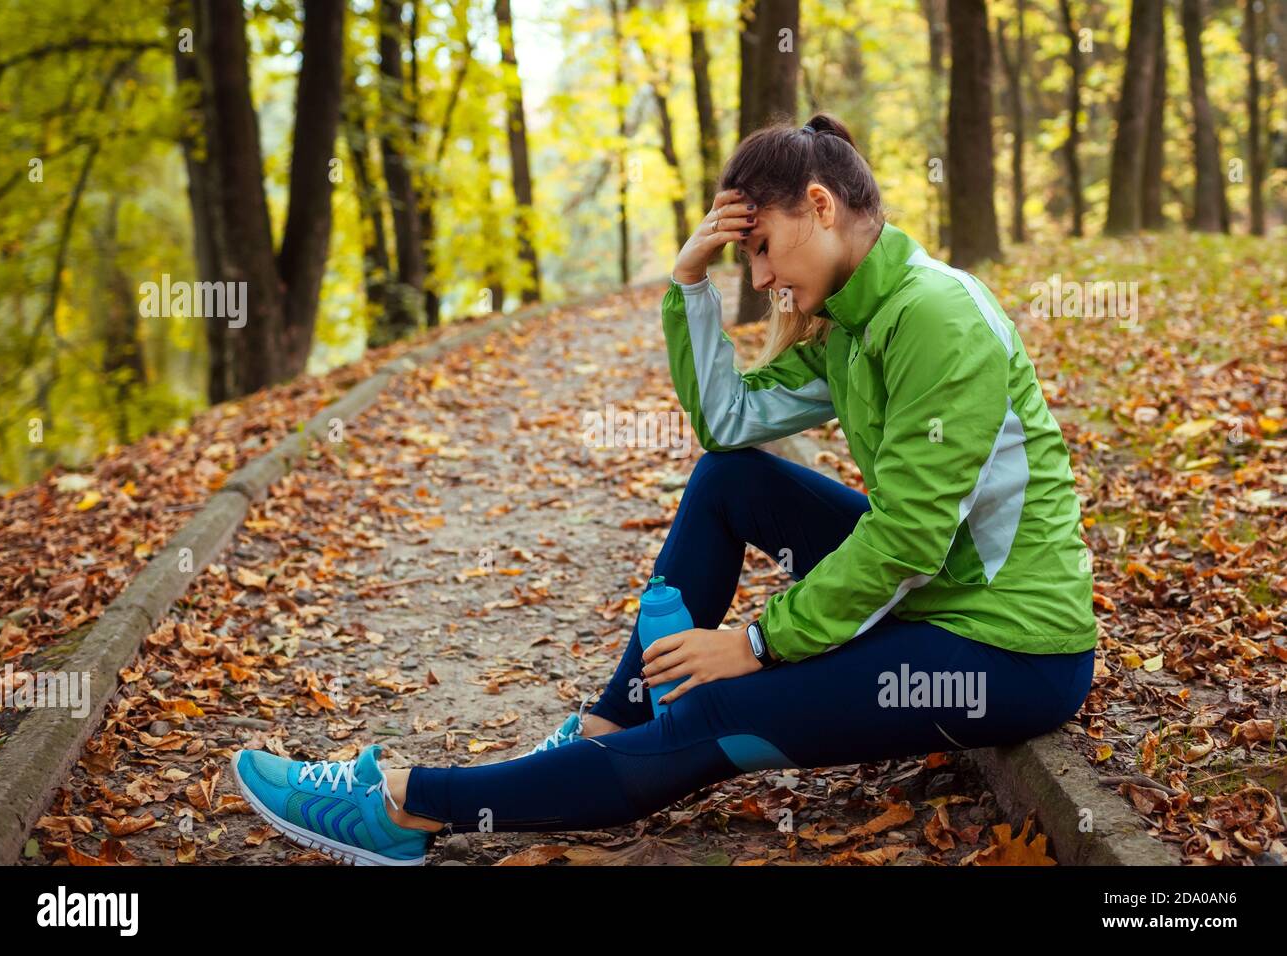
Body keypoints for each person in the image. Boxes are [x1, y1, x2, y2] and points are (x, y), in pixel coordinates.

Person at [230, 112, 1098, 865]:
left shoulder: (931, 318)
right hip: (938, 592)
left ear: (822, 208)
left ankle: (403, 805)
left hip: (1008, 649)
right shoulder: (856, 323)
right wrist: (690, 281)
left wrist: (756, 643)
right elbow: (728, 422)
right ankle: (608, 731)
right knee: (729, 479)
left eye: (760, 249)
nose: (759, 280)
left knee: (715, 710)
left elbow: (908, 541)